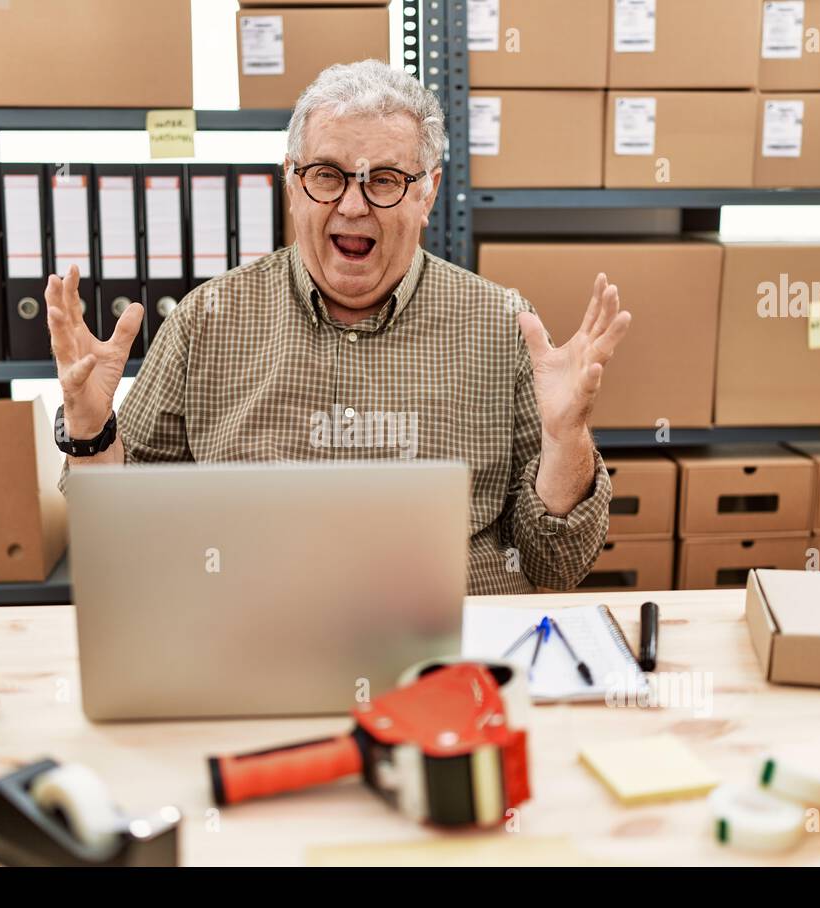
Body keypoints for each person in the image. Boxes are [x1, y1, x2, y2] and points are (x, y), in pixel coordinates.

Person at [46, 59, 631, 595]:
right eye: (328, 175)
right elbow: (127, 538)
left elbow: (558, 565)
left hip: (453, 651)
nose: (353, 206)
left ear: (427, 193)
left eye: (384, 180)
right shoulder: (205, 320)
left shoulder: (502, 325)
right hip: (255, 640)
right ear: (291, 181)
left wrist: (567, 440)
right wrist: (91, 431)